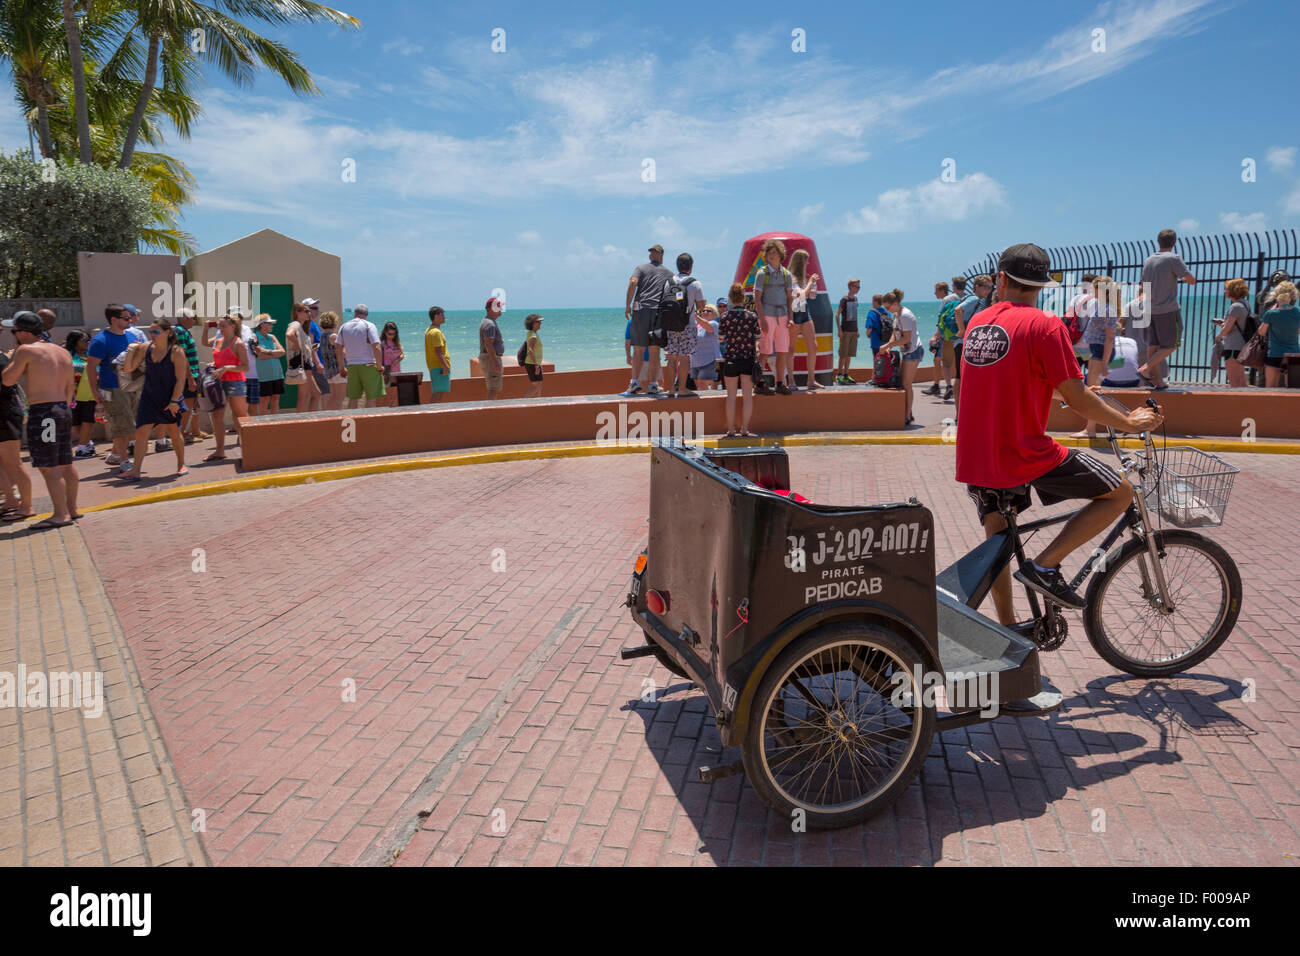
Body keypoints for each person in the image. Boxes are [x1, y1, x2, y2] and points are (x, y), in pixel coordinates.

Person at [957, 243, 1161, 626]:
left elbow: (1005, 379)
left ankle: (1009, 627)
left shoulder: (978, 323)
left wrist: (1056, 390)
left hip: (976, 455)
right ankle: (1047, 565)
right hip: (1023, 453)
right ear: (1042, 284)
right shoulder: (1046, 325)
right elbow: (1077, 398)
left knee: (997, 543)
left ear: (1002, 279)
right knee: (1120, 493)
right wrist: (1131, 423)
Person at [0, 311, 79, 527]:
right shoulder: (61, 351)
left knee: (48, 465)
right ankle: (71, 509)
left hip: (44, 413)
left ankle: (60, 514)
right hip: (63, 409)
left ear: (24, 333)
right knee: (66, 463)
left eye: (14, 331)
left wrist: (13, 357)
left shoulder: (25, 350)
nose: (13, 334)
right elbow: (70, 387)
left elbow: (7, 380)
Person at [120, 318, 189, 479]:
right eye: (150, 331)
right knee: (141, 432)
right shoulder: (146, 348)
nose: (152, 335)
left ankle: (181, 464)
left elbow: (181, 379)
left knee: (173, 430)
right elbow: (129, 368)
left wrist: (174, 401)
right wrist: (131, 351)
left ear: (167, 333)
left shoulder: (176, 351)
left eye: (156, 331)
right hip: (150, 396)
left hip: (170, 397)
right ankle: (135, 470)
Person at [86, 304, 146, 468]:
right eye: (126, 318)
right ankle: (124, 461)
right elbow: (91, 366)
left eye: (130, 317)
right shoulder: (100, 340)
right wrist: (94, 390)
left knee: (130, 423)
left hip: (132, 386)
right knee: (121, 425)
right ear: (113, 320)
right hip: (111, 388)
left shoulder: (132, 337)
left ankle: (115, 455)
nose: (130, 320)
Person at [1137, 228, 1196, 388]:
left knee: (1153, 346)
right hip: (1168, 309)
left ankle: (1158, 381)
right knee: (1173, 344)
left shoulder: (1149, 260)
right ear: (1174, 242)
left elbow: (1143, 285)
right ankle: (1146, 368)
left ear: (1159, 241)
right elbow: (1191, 280)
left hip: (1149, 309)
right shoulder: (1173, 258)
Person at [1069, 276, 1121, 439]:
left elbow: (1110, 338)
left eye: (1095, 288)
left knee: (1093, 393)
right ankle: (1127, 418)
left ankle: (1090, 429)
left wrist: (1105, 363)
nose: (1092, 291)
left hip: (1099, 353)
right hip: (1096, 352)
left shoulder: (1107, 309)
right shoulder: (1104, 307)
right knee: (1094, 391)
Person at [624, 244, 672, 396]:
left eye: (652, 253)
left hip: (641, 309)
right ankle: (653, 384)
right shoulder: (669, 273)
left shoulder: (641, 268)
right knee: (654, 350)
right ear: (662, 255)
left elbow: (633, 283)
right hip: (658, 312)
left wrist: (628, 305)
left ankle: (634, 383)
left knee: (638, 348)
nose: (651, 255)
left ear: (653, 255)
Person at [0, 321, 33, 522]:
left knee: (13, 462)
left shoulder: (1, 358)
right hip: (5, 414)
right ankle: (11, 500)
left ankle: (27, 506)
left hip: (6, 414)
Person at [205, 313, 249, 461]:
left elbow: (245, 367)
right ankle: (219, 450)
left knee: (240, 416)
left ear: (233, 326)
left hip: (235, 382)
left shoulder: (238, 343)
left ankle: (251, 447)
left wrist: (227, 368)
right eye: (219, 325)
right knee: (217, 416)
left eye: (223, 325)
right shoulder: (218, 341)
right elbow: (219, 360)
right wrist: (214, 365)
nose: (220, 328)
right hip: (218, 382)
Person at [719, 283, 761, 437]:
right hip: (748, 359)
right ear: (744, 298)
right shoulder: (752, 316)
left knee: (731, 396)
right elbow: (758, 338)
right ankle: (744, 429)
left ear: (730, 297)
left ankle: (730, 429)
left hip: (731, 359)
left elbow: (721, 339)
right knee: (747, 396)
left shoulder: (725, 317)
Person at [753, 239, 794, 395]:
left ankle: (779, 383)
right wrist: (761, 319)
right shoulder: (762, 273)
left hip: (782, 316)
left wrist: (790, 317)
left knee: (783, 350)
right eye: (769, 253)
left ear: (780, 254)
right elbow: (757, 297)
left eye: (774, 252)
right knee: (765, 350)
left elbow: (790, 298)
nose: (771, 255)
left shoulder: (786, 274)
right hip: (768, 316)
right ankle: (759, 383)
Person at [664, 253, 705, 398]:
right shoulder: (695, 283)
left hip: (671, 325)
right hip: (688, 325)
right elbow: (701, 306)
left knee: (671, 358)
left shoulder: (669, 282)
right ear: (691, 266)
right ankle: (681, 389)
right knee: (685, 357)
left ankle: (670, 389)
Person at [881, 290, 922, 425]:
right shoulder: (897, 315)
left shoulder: (905, 315)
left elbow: (907, 338)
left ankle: (907, 415)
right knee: (902, 382)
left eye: (888, 307)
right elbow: (895, 332)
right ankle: (908, 412)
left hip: (913, 351)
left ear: (895, 303)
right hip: (907, 352)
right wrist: (889, 347)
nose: (887, 310)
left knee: (906, 384)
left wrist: (888, 344)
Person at [786, 250, 822, 389]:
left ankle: (811, 380)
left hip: (804, 312)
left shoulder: (802, 279)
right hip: (794, 313)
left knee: (813, 346)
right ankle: (791, 381)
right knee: (791, 349)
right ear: (801, 262)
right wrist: (811, 283)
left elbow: (810, 296)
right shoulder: (792, 279)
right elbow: (801, 295)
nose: (808, 263)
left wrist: (812, 287)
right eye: (806, 261)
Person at [339, 304, 385, 409]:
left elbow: (338, 347)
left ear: (355, 313)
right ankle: (370, 423)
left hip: (352, 366)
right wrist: (379, 365)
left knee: (353, 399)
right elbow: (376, 346)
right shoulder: (369, 325)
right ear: (366, 314)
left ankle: (352, 423)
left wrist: (342, 367)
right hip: (369, 364)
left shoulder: (344, 326)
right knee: (371, 398)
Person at [952, 275, 986, 414]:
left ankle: (961, 413)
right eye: (986, 287)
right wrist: (962, 330)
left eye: (990, 287)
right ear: (977, 287)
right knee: (960, 378)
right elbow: (958, 310)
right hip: (963, 343)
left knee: (962, 378)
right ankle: (959, 414)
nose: (989, 290)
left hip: (964, 343)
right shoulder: (974, 299)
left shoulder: (976, 299)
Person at [174, 308, 208, 442]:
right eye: (192, 318)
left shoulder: (184, 331)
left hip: (194, 373)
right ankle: (183, 434)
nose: (194, 320)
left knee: (195, 404)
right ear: (185, 319)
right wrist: (189, 377)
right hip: (188, 375)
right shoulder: (180, 332)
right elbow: (182, 355)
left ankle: (195, 431)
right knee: (187, 405)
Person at [1259, 281, 1300, 387]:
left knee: (1270, 388)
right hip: (1294, 354)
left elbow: (1261, 332)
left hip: (1275, 353)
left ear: (1277, 294)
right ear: (1293, 295)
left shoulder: (1271, 313)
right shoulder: (1298, 312)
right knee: (1293, 390)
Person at [1212, 279, 1251, 389]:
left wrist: (1218, 337)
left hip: (1233, 346)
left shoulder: (1235, 306)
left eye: (1226, 289)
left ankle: (1237, 404)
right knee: (1241, 381)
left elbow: (1227, 328)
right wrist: (1223, 322)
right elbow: (1237, 323)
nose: (1225, 291)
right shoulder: (1245, 304)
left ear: (1234, 290)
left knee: (1234, 382)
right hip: (1241, 345)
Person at [64, 330, 96, 458]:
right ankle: (87, 444)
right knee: (76, 422)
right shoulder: (67, 355)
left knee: (87, 421)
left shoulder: (91, 355)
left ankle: (81, 448)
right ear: (75, 342)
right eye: (85, 340)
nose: (88, 342)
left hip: (89, 394)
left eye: (89, 340)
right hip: (72, 395)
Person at [925, 281, 959, 400]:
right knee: (943, 360)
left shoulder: (946, 300)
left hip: (946, 336)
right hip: (956, 336)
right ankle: (937, 385)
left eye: (936, 291)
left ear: (942, 290)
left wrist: (935, 336)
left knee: (938, 360)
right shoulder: (957, 298)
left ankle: (939, 386)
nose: (935, 293)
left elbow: (941, 320)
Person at [285, 302, 322, 413]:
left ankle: (307, 421)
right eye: (306, 311)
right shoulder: (295, 324)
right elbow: (289, 334)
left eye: (309, 311)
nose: (308, 313)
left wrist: (310, 348)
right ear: (297, 313)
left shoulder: (301, 327)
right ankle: (302, 423)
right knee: (306, 397)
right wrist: (297, 344)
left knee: (313, 395)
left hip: (305, 366)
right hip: (303, 365)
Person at [252, 314, 287, 414]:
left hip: (277, 374)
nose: (272, 325)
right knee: (264, 400)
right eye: (269, 323)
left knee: (276, 398)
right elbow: (259, 355)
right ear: (261, 325)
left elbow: (282, 352)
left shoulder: (272, 337)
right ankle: (265, 425)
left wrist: (266, 352)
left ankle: (274, 424)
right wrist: (274, 354)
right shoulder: (254, 336)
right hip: (263, 376)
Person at [302, 298, 332, 400]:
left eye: (316, 308)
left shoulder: (312, 324)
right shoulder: (309, 325)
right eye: (313, 308)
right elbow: (311, 345)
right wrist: (318, 363)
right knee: (326, 392)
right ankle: (328, 416)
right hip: (315, 364)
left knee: (316, 395)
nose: (316, 310)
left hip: (316, 363)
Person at [1101, 316, 1141, 388]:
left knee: (1088, 377)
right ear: (1122, 331)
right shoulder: (1132, 341)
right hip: (1134, 381)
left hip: (1111, 381)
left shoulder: (1105, 343)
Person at [478, 298, 505, 401]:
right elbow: (488, 345)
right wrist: (495, 363)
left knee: (493, 388)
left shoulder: (489, 322)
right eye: (498, 307)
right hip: (490, 359)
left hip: (489, 358)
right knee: (493, 389)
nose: (500, 309)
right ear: (491, 309)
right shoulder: (489, 324)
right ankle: (491, 412)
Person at [317, 311, 345, 410]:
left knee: (333, 398)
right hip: (338, 370)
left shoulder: (322, 336)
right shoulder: (333, 336)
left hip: (329, 370)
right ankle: (336, 421)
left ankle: (329, 419)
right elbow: (342, 353)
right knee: (339, 399)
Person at [691, 303, 722, 391]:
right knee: (699, 388)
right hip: (695, 362)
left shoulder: (714, 323)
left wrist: (694, 315)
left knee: (703, 384)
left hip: (710, 361)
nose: (705, 312)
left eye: (708, 311)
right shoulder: (697, 326)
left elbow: (708, 327)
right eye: (703, 311)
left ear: (714, 314)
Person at [835, 279, 860, 385]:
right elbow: (837, 315)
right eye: (856, 287)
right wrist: (839, 330)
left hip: (854, 331)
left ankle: (846, 374)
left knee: (849, 354)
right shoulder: (844, 299)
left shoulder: (855, 299)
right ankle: (839, 375)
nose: (858, 289)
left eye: (859, 287)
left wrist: (857, 330)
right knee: (843, 354)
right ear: (850, 287)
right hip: (845, 330)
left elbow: (854, 316)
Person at [425, 307, 451, 403]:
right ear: (436, 316)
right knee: (438, 393)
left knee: (438, 393)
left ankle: (432, 413)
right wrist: (445, 366)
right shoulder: (436, 332)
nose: (444, 317)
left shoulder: (430, 330)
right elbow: (438, 351)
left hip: (435, 366)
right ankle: (432, 414)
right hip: (439, 367)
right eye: (442, 315)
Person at [861, 293, 886, 373]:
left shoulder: (872, 313)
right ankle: (885, 376)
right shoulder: (886, 312)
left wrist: (868, 334)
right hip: (886, 341)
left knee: (876, 360)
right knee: (885, 360)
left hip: (876, 341)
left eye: (872, 301)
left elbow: (869, 328)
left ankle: (876, 378)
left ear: (875, 302)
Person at [522, 314, 544, 398]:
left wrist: (538, 364)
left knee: (539, 385)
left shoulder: (532, 333)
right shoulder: (533, 335)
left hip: (533, 363)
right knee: (537, 386)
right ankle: (522, 402)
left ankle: (539, 405)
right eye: (538, 322)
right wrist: (536, 365)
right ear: (533, 323)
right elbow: (530, 350)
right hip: (532, 363)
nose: (540, 324)